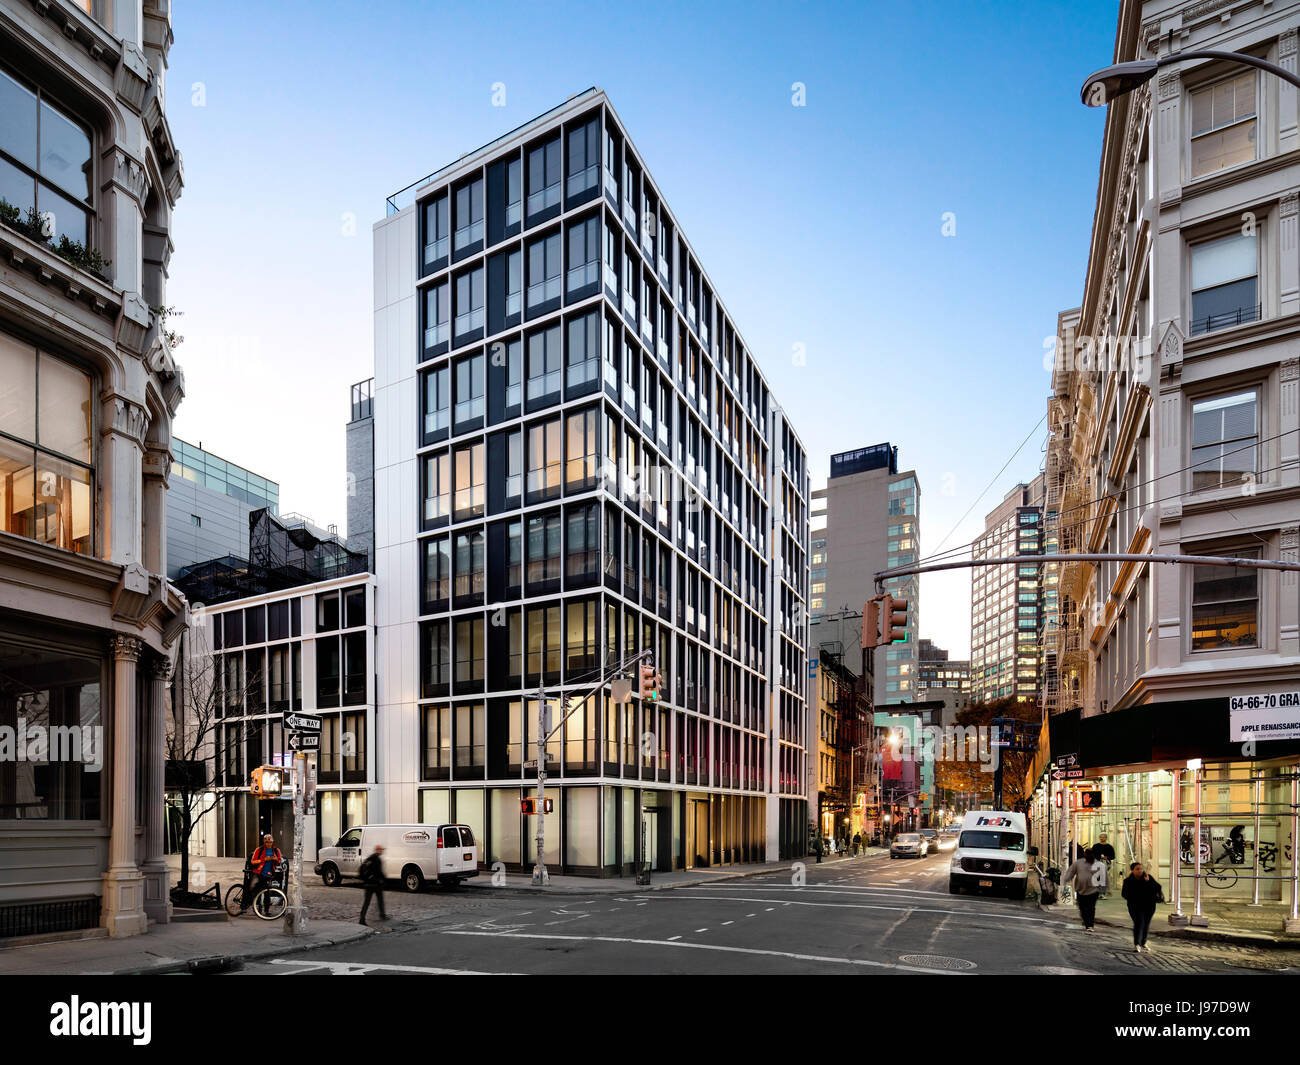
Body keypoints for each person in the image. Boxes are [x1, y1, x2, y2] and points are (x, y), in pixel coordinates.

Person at [1121, 861, 1162, 953]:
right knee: (1139, 923)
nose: (1140, 871)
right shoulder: (1127, 881)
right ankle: (1137, 944)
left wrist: (1148, 882)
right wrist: (1135, 896)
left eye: (1141, 869)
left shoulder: (1148, 877)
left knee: (1146, 924)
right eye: (1137, 869)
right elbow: (1124, 894)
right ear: (1132, 871)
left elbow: (1158, 888)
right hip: (1135, 906)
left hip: (1149, 905)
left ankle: (1143, 942)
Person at [1062, 847, 1106, 931]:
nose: (1089, 855)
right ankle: (1086, 922)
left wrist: (1103, 890)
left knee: (1091, 907)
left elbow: (1104, 878)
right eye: (1087, 853)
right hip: (1081, 889)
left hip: (1094, 890)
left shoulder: (1099, 865)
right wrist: (1066, 880)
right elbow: (1071, 872)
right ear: (1085, 854)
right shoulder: (1078, 863)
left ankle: (1090, 925)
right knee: (1082, 908)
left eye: (1091, 854)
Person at [241, 833, 282, 915]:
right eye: (267, 842)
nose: (268, 844)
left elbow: (279, 861)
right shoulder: (259, 850)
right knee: (253, 889)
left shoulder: (276, 851)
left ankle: (266, 911)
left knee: (267, 892)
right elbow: (253, 861)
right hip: (258, 873)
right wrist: (263, 859)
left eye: (270, 842)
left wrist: (276, 859)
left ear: (272, 842)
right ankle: (249, 905)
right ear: (264, 842)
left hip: (268, 874)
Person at [359, 843, 387, 925]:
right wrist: (384, 879)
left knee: (367, 902)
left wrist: (365, 879)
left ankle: (362, 918)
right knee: (378, 900)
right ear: (377, 850)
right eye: (381, 850)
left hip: (369, 884)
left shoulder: (370, 858)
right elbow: (379, 872)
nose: (382, 851)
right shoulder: (377, 859)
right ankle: (382, 915)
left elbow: (362, 869)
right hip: (375, 884)